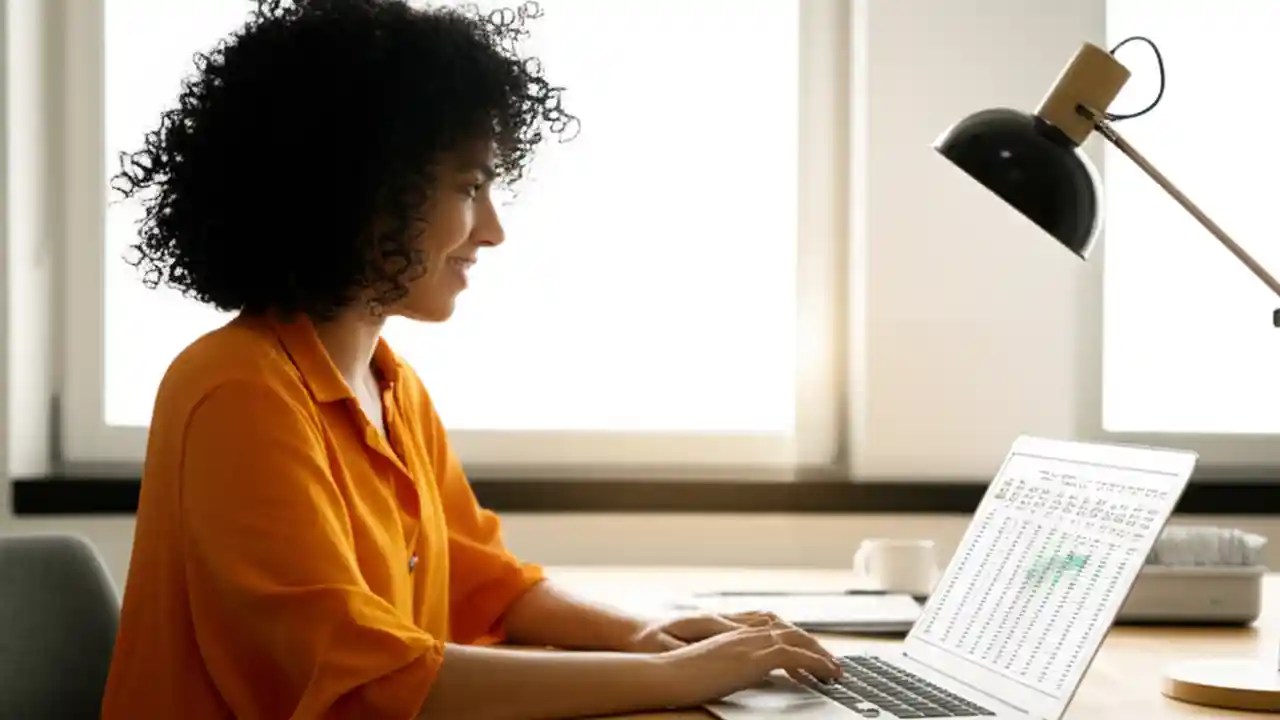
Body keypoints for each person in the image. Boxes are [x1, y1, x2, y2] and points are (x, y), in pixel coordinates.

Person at [100, 1, 843, 718]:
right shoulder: (240, 390)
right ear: (362, 192)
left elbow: (488, 588)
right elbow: (359, 681)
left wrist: (644, 635)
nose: (492, 230)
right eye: (470, 187)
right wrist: (671, 677)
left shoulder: (392, 386)